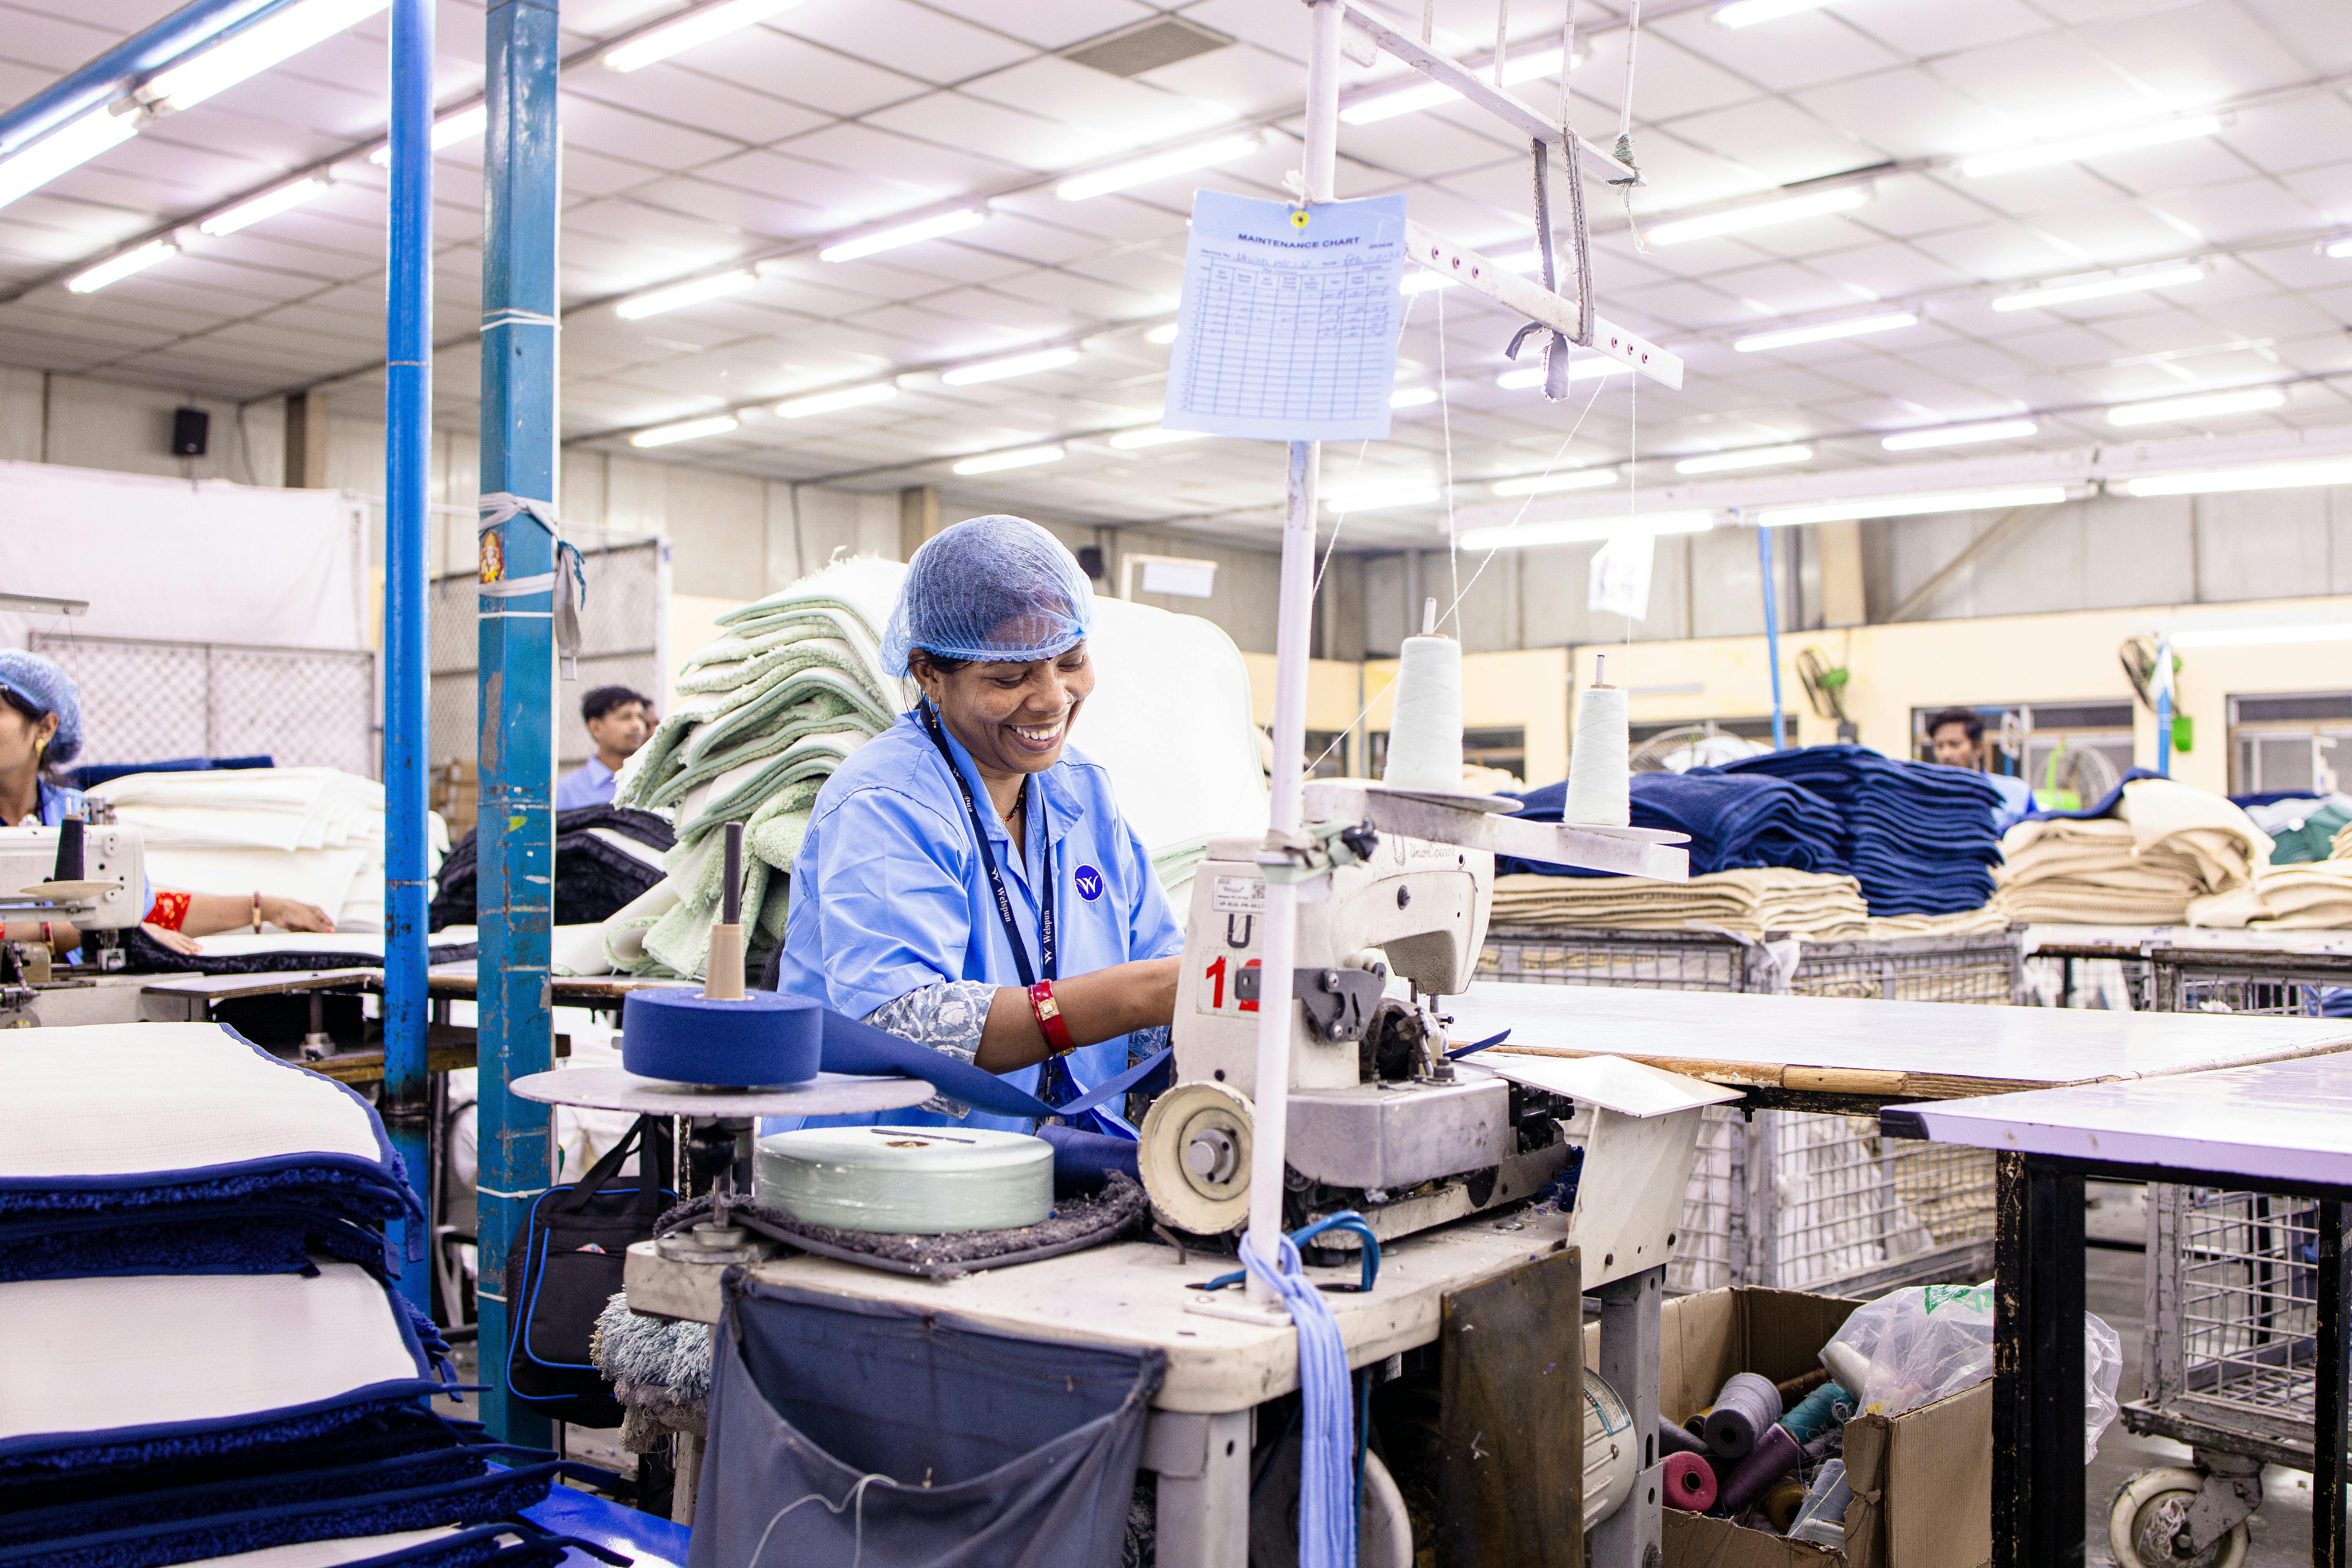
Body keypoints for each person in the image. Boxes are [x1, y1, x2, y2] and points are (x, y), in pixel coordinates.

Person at [776, 515, 1182, 1132]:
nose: (1052, 698)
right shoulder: (886, 803)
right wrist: (1137, 996)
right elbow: (911, 1028)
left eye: (1071, 661)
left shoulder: (1083, 791)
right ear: (928, 674)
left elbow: (1161, 975)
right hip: (887, 1168)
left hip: (1053, 1167)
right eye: (1010, 677)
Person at [0, 650, 334, 957]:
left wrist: (265, 908)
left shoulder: (75, 812)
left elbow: (141, 911)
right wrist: (106, 928)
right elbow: (125, 921)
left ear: (46, 727)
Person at [1924, 706, 2033, 831]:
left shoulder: (2018, 793)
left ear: (1978, 748)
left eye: (1954, 745)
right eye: (1939, 746)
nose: (1946, 754)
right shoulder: (1926, 798)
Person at [556, 686, 652, 810]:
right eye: (626, 717)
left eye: (641, 717)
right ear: (596, 728)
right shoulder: (565, 793)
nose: (637, 725)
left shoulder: (656, 783)